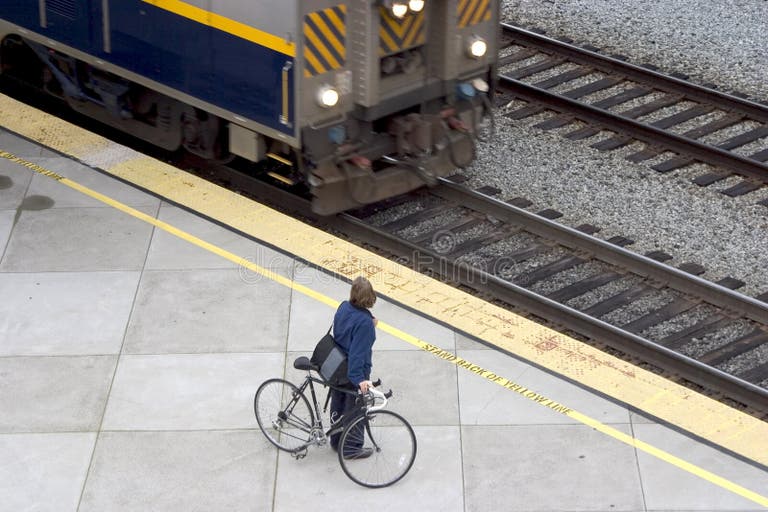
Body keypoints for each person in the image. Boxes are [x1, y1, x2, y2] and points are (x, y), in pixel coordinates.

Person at [329, 276, 378, 459]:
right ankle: (351, 448)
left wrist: (369, 320)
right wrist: (360, 381)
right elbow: (358, 355)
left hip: (337, 364)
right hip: (353, 370)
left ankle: (336, 441)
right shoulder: (365, 324)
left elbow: (348, 324)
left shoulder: (343, 306)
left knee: (338, 402)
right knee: (355, 410)